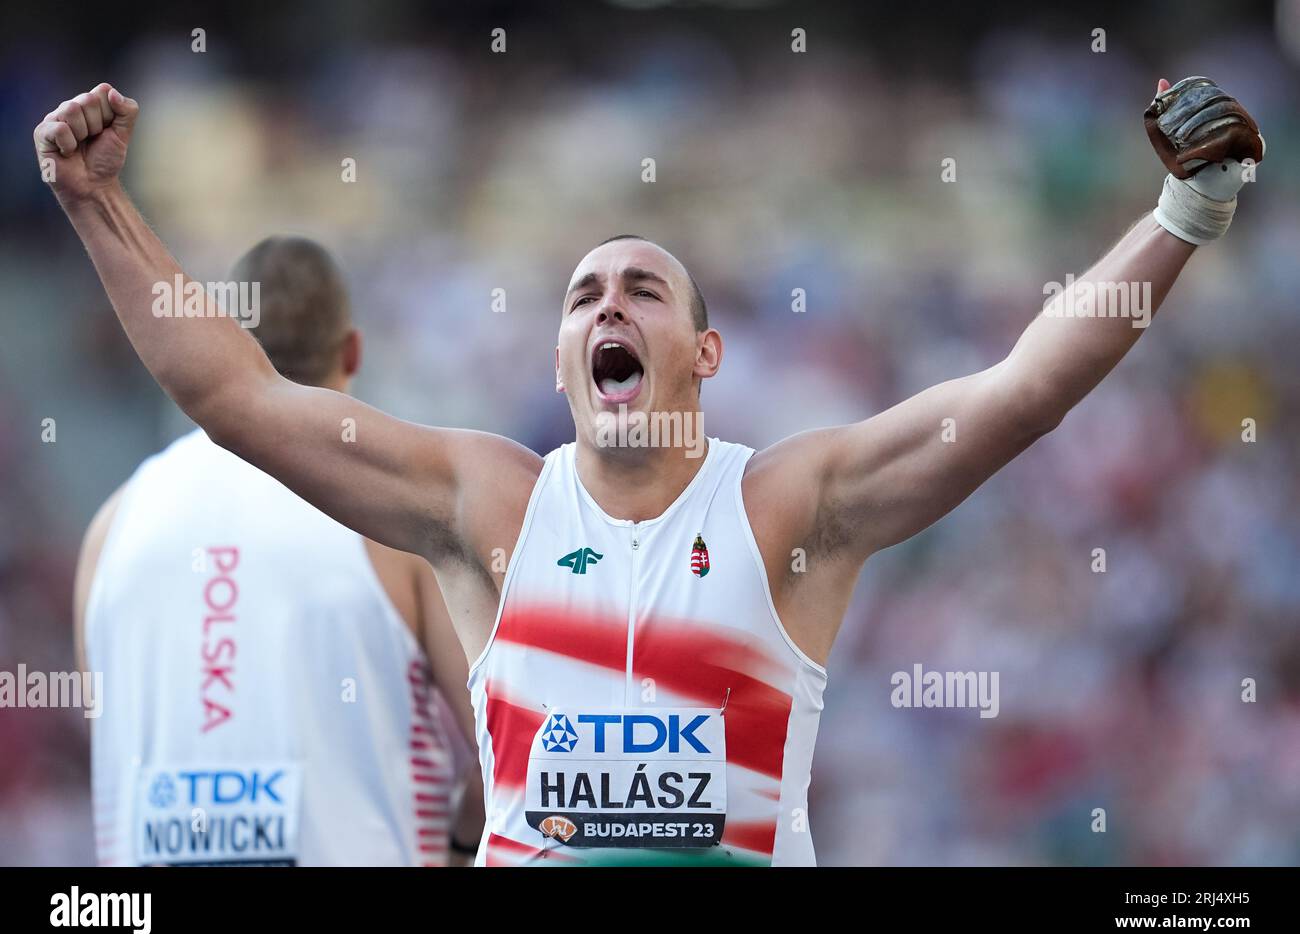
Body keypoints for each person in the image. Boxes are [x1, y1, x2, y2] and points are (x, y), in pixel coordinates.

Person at [37, 76, 1264, 865]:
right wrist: (97, 202)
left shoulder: (794, 505)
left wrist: (1184, 215)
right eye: (581, 293)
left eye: (643, 286)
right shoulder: (488, 505)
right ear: (564, 357)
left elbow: (1024, 390)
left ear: (703, 351)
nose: (608, 301)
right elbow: (235, 394)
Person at [72, 236, 484, 866]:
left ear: (222, 342)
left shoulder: (110, 526)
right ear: (352, 352)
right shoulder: (393, 518)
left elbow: (109, 741)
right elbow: (502, 755)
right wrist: (456, 850)